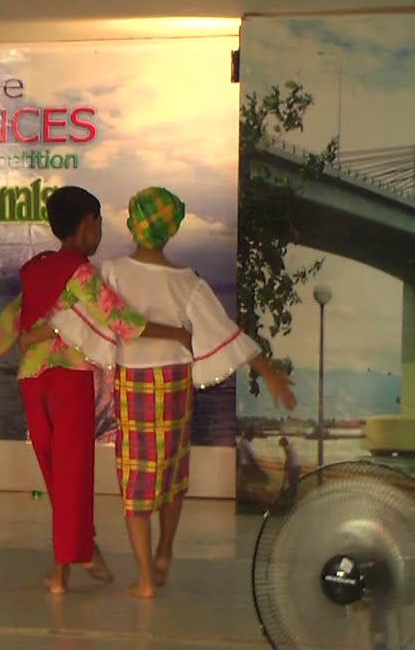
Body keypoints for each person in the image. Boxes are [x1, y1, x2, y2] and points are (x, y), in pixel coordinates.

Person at [44, 187, 296, 598]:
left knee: (136, 481)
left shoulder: (111, 272)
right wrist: (268, 372)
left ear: (132, 224)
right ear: (172, 230)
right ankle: (164, 551)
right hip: (175, 385)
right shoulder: (187, 282)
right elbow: (226, 332)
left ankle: (145, 578)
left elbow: (74, 313)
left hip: (133, 384)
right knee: (173, 473)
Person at [0, 186, 190, 595]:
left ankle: (80, 553)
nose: (100, 230)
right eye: (98, 222)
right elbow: (123, 321)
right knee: (73, 475)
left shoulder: (38, 266)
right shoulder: (83, 273)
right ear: (87, 224)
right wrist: (178, 333)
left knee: (55, 475)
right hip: (69, 377)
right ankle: (65, 568)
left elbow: (16, 315)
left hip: (32, 379)